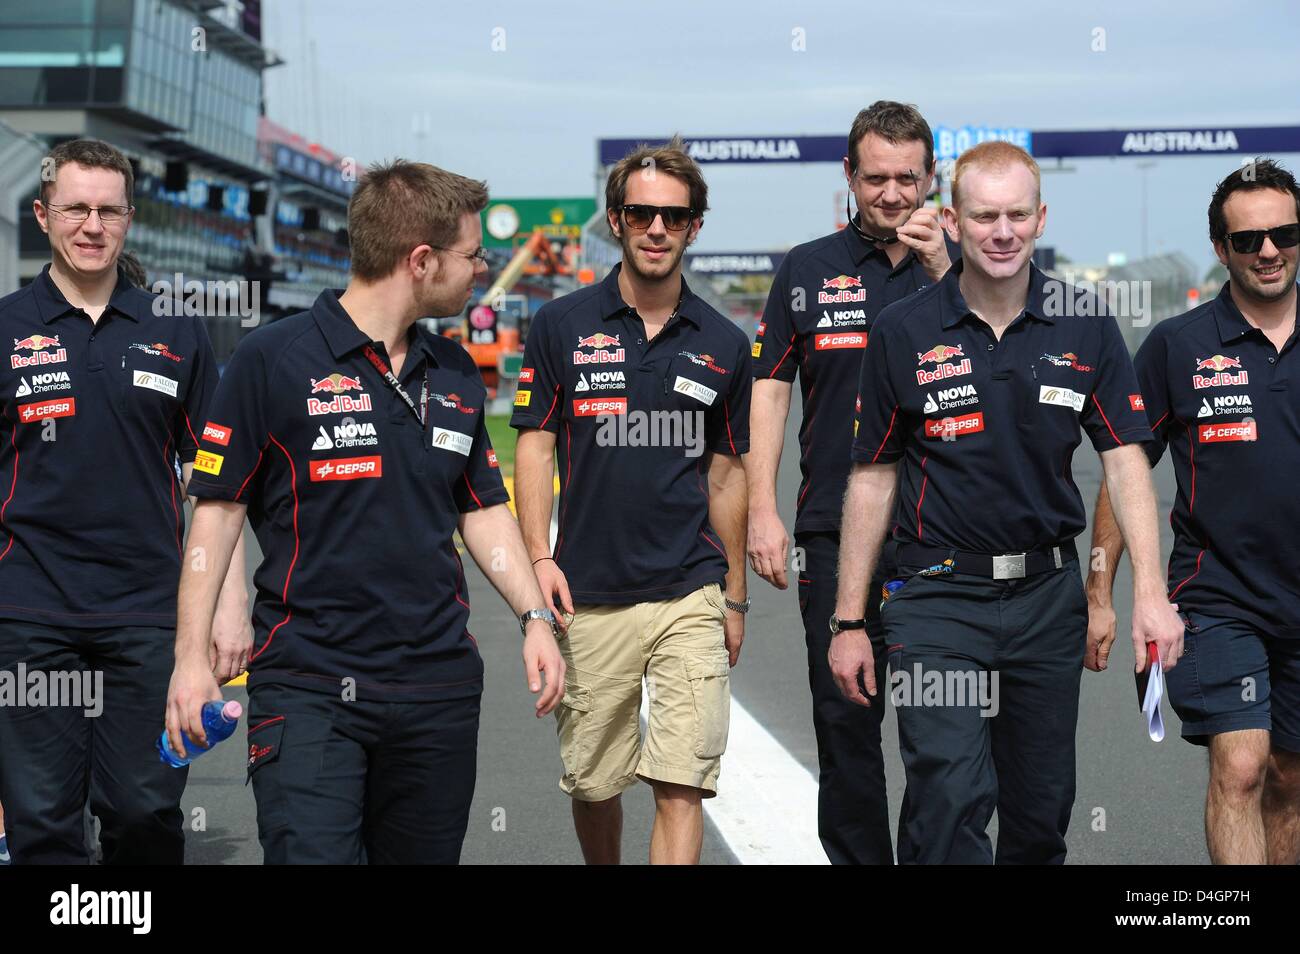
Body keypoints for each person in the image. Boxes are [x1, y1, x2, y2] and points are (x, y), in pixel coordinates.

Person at [165, 159, 566, 865]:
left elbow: (481, 509)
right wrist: (190, 658)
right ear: (420, 260)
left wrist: (533, 616)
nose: (480, 269)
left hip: (438, 689)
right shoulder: (271, 360)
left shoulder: (455, 371)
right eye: (472, 256)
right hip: (310, 684)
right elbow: (216, 516)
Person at [832, 140, 1184, 864]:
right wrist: (847, 619)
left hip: (1047, 600)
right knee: (949, 796)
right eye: (985, 215)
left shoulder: (1085, 323)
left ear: (1041, 217)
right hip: (935, 596)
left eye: (1017, 215)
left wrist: (1144, 592)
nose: (1002, 231)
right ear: (954, 222)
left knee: (1039, 810)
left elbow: (1124, 462)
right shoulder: (904, 330)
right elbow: (872, 476)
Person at [0, 138, 250, 864]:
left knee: (142, 814)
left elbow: (219, 483)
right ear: (45, 215)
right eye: (76, 208)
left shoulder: (174, 330)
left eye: (109, 210)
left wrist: (229, 601)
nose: (92, 225)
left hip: (148, 615)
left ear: (129, 220)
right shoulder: (6, 327)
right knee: (43, 819)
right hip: (29, 615)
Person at [511, 137, 751, 865]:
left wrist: (734, 594)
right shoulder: (560, 325)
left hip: (690, 590)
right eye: (641, 213)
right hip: (590, 591)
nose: (656, 229)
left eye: (673, 218)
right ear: (615, 219)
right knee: (594, 782)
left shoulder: (726, 341)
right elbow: (534, 443)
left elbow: (726, 476)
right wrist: (537, 557)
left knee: (683, 782)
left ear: (694, 227)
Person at [747, 100, 953, 864]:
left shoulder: (973, 265)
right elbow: (769, 387)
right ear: (848, 176)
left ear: (933, 177)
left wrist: (945, 268)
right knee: (847, 729)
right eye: (876, 178)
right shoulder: (806, 268)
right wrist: (762, 510)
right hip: (833, 535)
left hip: (945, 537)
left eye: (908, 178)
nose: (893, 195)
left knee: (946, 738)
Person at [1087, 159, 1300, 864]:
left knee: (1289, 779)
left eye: (1283, 234)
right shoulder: (1178, 346)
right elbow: (1125, 468)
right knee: (1240, 766)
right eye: (1248, 240)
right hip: (1216, 597)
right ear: (1221, 250)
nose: (1268, 250)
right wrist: (1102, 595)